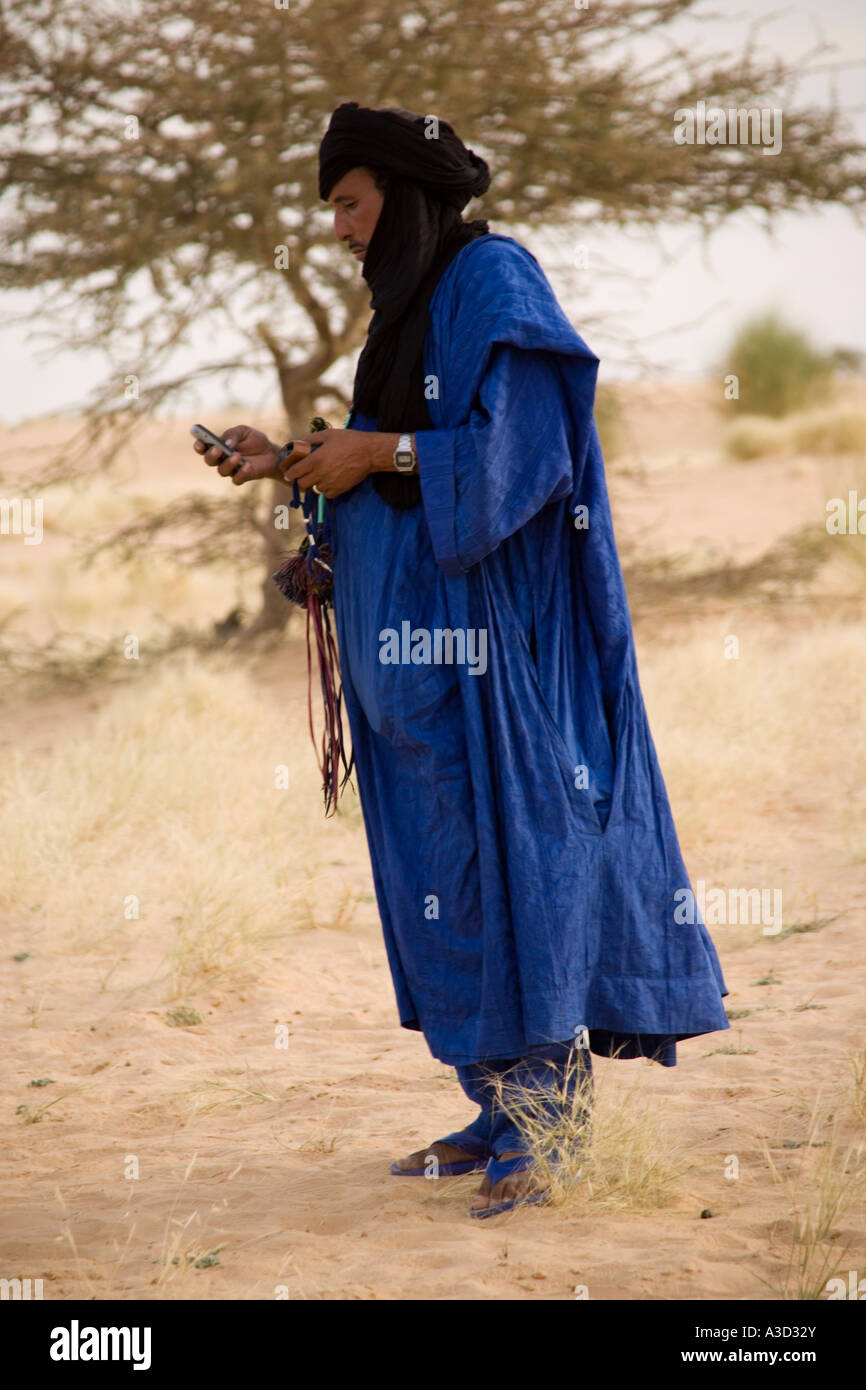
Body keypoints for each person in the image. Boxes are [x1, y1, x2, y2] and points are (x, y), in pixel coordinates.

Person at [193, 101, 730, 1218]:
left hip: (496, 656)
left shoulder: (491, 279)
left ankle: (550, 1118)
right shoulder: (406, 312)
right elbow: (385, 465)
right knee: (444, 873)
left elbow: (515, 457)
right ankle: (496, 1106)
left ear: (403, 192)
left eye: (348, 202)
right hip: (411, 673)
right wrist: (288, 462)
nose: (337, 229)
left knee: (515, 857)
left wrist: (373, 450)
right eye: (330, 208)